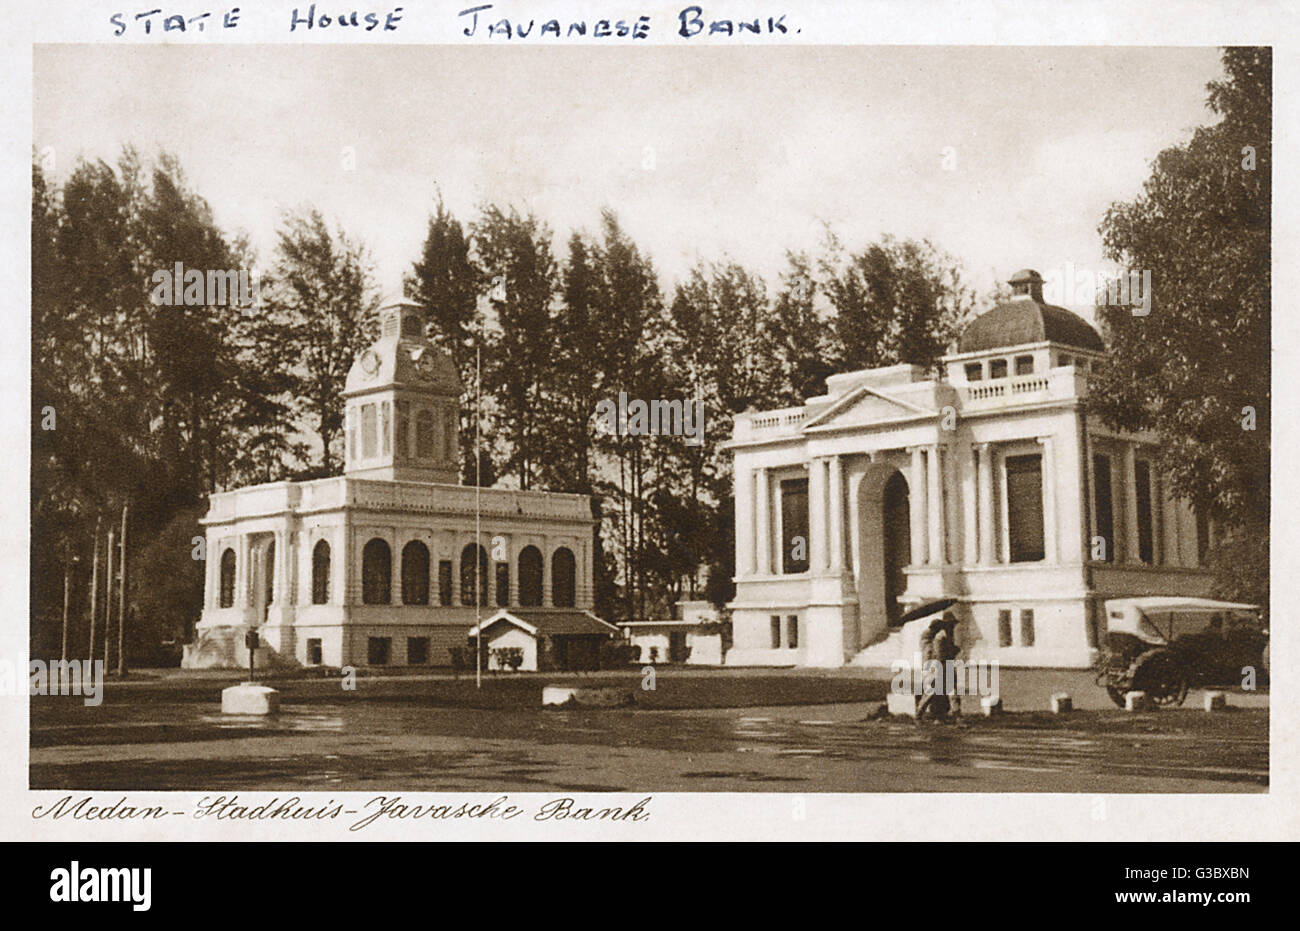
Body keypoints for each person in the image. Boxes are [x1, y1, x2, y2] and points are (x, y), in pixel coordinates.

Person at [916, 612, 961, 722]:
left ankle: (957, 715)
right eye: (951, 624)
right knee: (931, 692)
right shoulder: (941, 637)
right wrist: (953, 651)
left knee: (952, 693)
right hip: (939, 667)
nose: (953, 626)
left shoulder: (946, 635)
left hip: (945, 666)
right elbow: (940, 654)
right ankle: (919, 714)